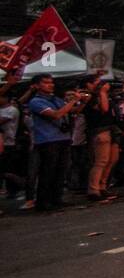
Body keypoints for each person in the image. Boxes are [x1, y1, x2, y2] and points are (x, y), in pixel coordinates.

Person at [27, 73, 86, 211]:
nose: (50, 85)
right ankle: (43, 201)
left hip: (62, 138)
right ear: (36, 86)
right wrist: (72, 101)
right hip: (47, 139)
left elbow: (73, 111)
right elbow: (56, 114)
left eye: (51, 82)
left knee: (60, 171)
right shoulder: (36, 101)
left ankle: (56, 198)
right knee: (48, 172)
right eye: (45, 82)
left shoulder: (56, 99)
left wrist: (83, 101)